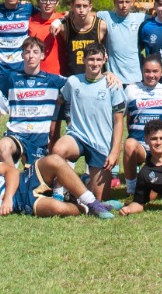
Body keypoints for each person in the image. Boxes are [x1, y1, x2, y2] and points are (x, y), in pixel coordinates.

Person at [0, 133, 118, 219]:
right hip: (20, 203)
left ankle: (93, 203)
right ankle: (87, 209)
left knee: (55, 160)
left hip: (20, 184)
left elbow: (11, 171)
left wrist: (8, 196)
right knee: (56, 207)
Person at [53, 43, 126, 199]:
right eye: (91, 59)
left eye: (98, 59)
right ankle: (58, 192)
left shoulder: (112, 85)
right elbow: (59, 101)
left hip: (100, 143)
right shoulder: (73, 82)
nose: (95, 63)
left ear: (104, 60)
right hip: (77, 135)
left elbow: (119, 122)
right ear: (84, 60)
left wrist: (115, 151)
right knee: (58, 150)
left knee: (98, 198)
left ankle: (84, 181)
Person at [0, 36, 69, 168]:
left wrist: (105, 74)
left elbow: (76, 83)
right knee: (3, 145)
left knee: (35, 184)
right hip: (16, 135)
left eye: (35, 52)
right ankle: (11, 178)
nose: (31, 56)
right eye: (27, 52)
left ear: (42, 56)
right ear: (22, 55)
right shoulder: (11, 78)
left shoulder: (52, 80)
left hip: (39, 140)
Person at [122, 56, 162, 181]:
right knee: (129, 144)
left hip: (160, 145)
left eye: (155, 71)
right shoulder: (131, 90)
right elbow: (121, 116)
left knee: (155, 191)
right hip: (140, 145)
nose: (151, 75)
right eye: (147, 71)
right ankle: (131, 190)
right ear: (142, 71)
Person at [100, 0, 146, 86]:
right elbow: (86, 15)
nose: (124, 5)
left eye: (127, 2)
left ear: (132, 2)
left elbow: (161, 18)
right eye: (120, 2)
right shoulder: (107, 16)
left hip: (136, 78)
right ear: (115, 2)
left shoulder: (141, 18)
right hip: (114, 79)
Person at [59, 0, 104, 77]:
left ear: (90, 7)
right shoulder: (64, 27)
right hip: (73, 78)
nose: (81, 10)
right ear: (72, 6)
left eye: (85, 6)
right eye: (78, 6)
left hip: (95, 79)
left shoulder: (101, 26)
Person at [26, 0, 65, 76]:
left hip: (57, 76)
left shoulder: (64, 20)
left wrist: (61, 20)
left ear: (57, 2)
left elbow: (87, 14)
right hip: (35, 75)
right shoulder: (30, 20)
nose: (48, 3)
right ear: (38, 1)